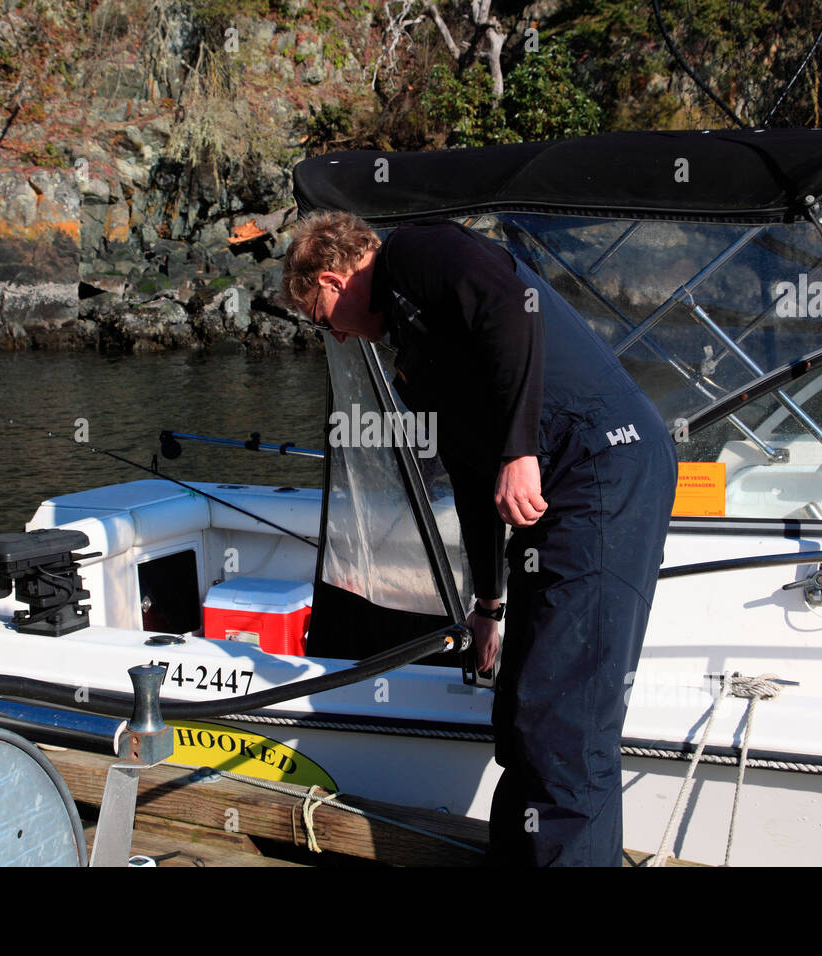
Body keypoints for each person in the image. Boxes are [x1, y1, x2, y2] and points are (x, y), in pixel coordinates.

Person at [282, 210, 677, 866]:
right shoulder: (413, 362)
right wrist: (489, 605)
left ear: (330, 280)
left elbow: (511, 308)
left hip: (601, 463)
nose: (341, 339)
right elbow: (469, 475)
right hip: (549, 490)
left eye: (324, 321)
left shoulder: (417, 251)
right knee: (521, 712)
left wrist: (520, 451)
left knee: (564, 723)